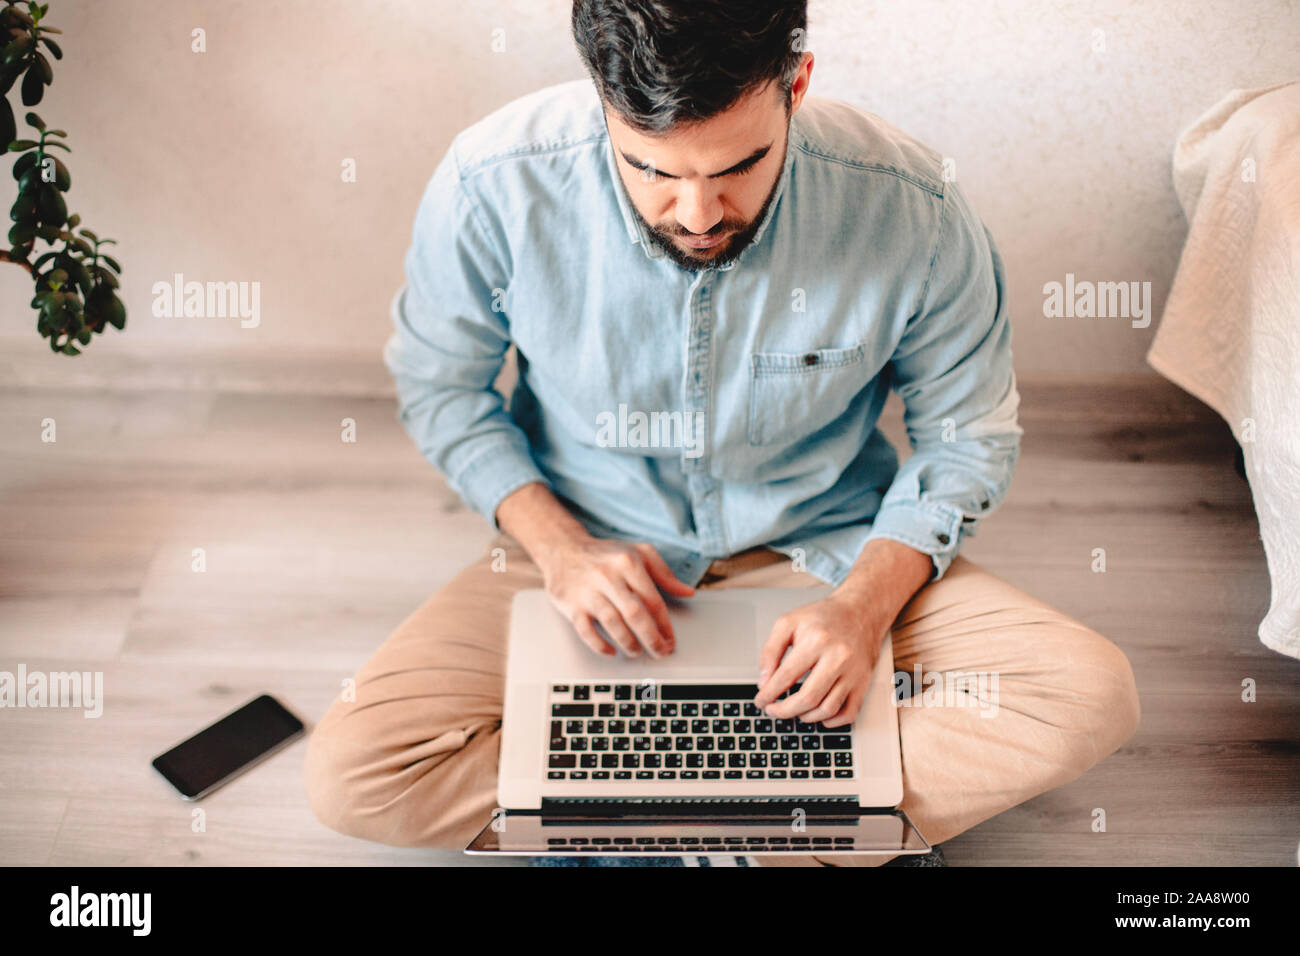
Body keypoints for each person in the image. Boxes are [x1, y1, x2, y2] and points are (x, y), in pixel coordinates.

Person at [305, 0, 1140, 866]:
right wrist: (560, 550)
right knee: (354, 773)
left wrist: (860, 609)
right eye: (651, 169)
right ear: (601, 101)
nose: (698, 213)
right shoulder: (492, 181)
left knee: (1089, 696)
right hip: (586, 551)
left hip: (826, 552)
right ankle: (775, 827)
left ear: (797, 84)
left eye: (740, 165)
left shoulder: (912, 206)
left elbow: (967, 435)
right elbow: (442, 390)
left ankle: (643, 821)